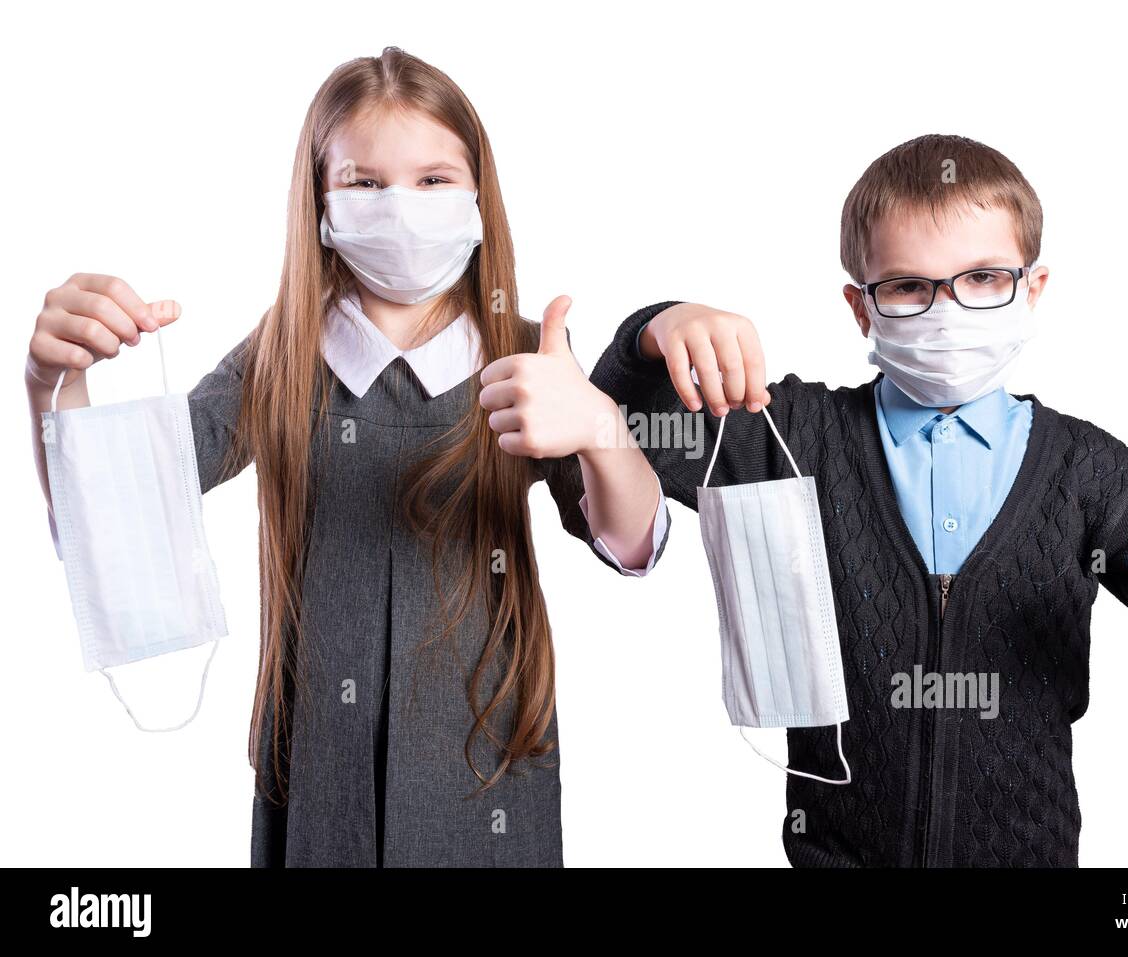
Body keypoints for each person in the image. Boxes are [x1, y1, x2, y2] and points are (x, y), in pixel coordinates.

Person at [25, 47, 669, 867]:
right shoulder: (283, 352)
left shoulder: (524, 354)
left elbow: (634, 542)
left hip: (488, 774)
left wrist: (602, 428)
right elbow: (114, 522)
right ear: (322, 201)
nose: (400, 207)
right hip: (318, 786)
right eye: (365, 182)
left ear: (478, 195)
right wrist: (52, 382)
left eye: (433, 180)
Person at [590, 133, 1128, 867]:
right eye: (909, 286)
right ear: (862, 306)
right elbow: (614, 428)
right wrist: (654, 329)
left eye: (983, 277)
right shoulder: (791, 437)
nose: (947, 311)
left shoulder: (1092, 473)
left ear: (1033, 288)